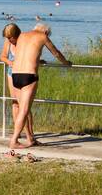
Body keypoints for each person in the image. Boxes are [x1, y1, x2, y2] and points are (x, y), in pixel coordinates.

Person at [4, 22, 72, 158]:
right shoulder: (43, 37)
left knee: (19, 108)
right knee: (24, 110)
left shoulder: (22, 35)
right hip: (29, 76)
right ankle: (14, 141)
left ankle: (29, 138)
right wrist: (66, 63)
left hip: (15, 74)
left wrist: (37, 60)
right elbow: (56, 53)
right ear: (45, 32)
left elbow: (25, 53)